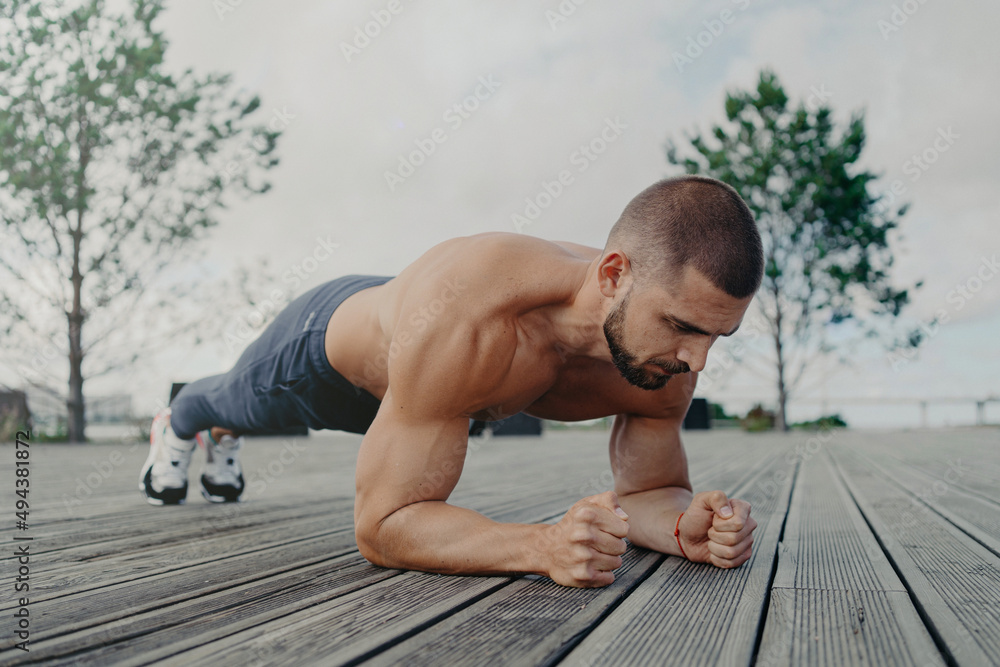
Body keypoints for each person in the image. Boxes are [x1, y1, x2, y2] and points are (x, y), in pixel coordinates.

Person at [140, 174, 763, 588]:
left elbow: (651, 490)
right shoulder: (475, 313)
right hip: (327, 357)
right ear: (613, 276)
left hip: (432, 386)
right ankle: (182, 425)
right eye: (681, 326)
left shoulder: (664, 361)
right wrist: (542, 547)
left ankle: (220, 433)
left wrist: (685, 529)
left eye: (717, 335)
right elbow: (384, 525)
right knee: (229, 401)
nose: (697, 361)